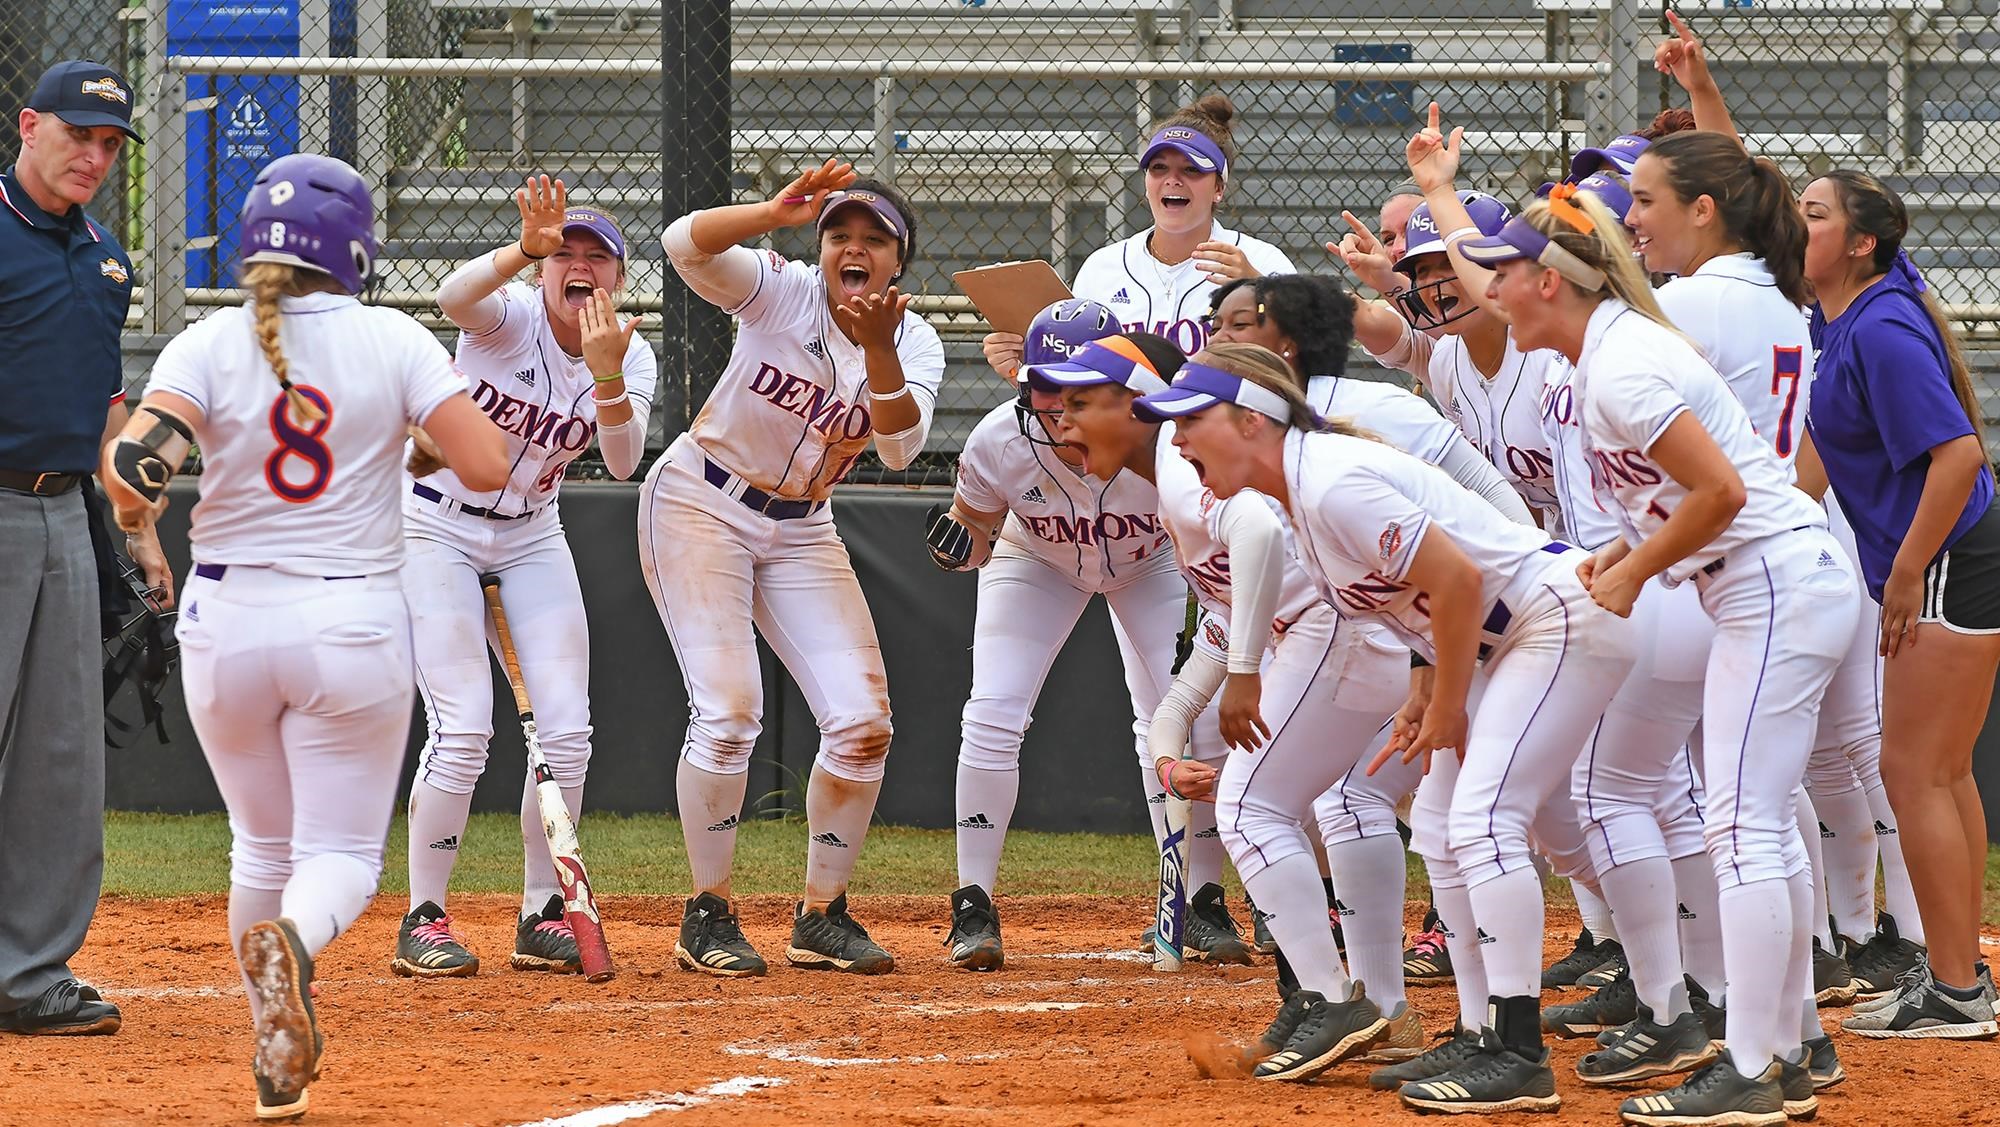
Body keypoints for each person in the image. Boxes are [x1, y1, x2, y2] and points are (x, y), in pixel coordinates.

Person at [102, 153, 507, 1117]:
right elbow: (487, 465)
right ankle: (296, 940)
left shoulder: (208, 339)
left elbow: (133, 467)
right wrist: (412, 443)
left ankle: (273, 1057)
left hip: (227, 619)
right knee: (343, 856)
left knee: (259, 844)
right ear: (354, 248)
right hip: (349, 618)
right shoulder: (393, 336)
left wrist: (137, 506)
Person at [1142, 343, 1636, 1114]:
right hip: (1510, 636)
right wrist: (1427, 683)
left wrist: (1446, 699)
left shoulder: (1328, 481)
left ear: (1250, 420)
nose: (1176, 441)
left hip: (1551, 622)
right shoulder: (1301, 491)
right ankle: (1485, 1030)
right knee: (1444, 827)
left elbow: (1458, 579)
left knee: (1486, 820)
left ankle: (1522, 1050)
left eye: (1190, 422)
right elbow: (1417, 598)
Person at [1461, 185, 1859, 1125]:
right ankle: (1788, 1049)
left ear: (1551, 282)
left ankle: (1753, 1066)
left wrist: (1636, 571)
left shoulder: (1621, 367)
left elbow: (1722, 494)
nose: (1492, 290)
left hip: (1770, 579)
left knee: (1743, 827)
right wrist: (1621, 551)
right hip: (1770, 579)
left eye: (1504, 271)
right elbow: (1692, 493)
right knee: (1756, 824)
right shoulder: (1613, 350)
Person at [1195, 273, 1529, 1046]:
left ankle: (1665, 996)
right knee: (1378, 803)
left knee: (1562, 817)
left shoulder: (1351, 425)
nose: (1219, 339)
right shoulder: (1271, 445)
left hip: (1504, 622)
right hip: (1446, 632)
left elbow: (1487, 507)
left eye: (1240, 323)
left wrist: (1524, 576)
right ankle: (1405, 1014)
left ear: (1283, 344)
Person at [642, 160, 944, 977]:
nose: (854, 248)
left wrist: (878, 352)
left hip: (804, 527)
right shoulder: (785, 290)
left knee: (863, 723)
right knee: (730, 713)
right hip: (702, 502)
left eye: (874, 238)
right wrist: (770, 214)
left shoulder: (913, 339)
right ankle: (707, 911)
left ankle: (820, 915)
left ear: (899, 260)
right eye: (839, 233)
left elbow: (899, 448)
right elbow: (682, 244)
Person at [1103, 342, 1410, 1081]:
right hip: (1398, 633)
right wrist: (1169, 760)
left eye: (1082, 404)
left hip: (1398, 629)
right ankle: (1383, 1012)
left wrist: (1246, 671)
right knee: (1350, 801)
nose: (1179, 438)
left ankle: (1331, 999)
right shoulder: (1214, 532)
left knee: (1251, 807)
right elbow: (1182, 697)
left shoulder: (1190, 480)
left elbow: (1259, 534)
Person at [392, 175, 659, 978]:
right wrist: (520, 249)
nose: (580, 266)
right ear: (544, 268)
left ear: (618, 278)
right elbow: (452, 297)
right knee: (465, 725)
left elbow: (623, 460)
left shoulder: (629, 351)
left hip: (533, 534)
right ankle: (424, 915)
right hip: (434, 523)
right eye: (565, 253)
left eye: (597, 257)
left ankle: (542, 912)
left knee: (568, 731)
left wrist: (608, 377)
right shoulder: (508, 316)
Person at [927, 301, 1246, 972]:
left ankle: (1202, 899)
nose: (1058, 402)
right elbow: (975, 527)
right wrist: (960, 547)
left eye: (1078, 385)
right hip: (1037, 559)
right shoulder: (999, 439)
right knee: (992, 711)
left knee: (1193, 717)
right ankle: (973, 902)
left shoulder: (1163, 436)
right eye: (1046, 383)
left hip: (1152, 562)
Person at [1796, 170, 2000, 1041]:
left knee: (1914, 770)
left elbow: (1958, 455)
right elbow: (1819, 447)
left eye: (1814, 215)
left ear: (1861, 243)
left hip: (1949, 555)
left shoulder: (1878, 326)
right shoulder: (1841, 314)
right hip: (1950, 554)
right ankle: (1960, 976)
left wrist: (1911, 569)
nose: (1795, 225)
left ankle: (1955, 988)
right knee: (1939, 770)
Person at [0, 59, 164, 1038]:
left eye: (109, 144)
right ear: (29, 126)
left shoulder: (108, 259)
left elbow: (110, 413)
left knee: (61, 756)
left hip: (67, 512)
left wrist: (140, 530)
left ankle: (29, 973)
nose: (94, 157)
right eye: (78, 135)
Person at [980, 93, 1293, 376]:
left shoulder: (1261, 261)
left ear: (1219, 188)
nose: (1172, 179)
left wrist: (1260, 290)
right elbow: (1074, 387)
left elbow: (1298, 362)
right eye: (1159, 168)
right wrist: (1022, 369)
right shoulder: (1104, 267)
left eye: (1191, 170)